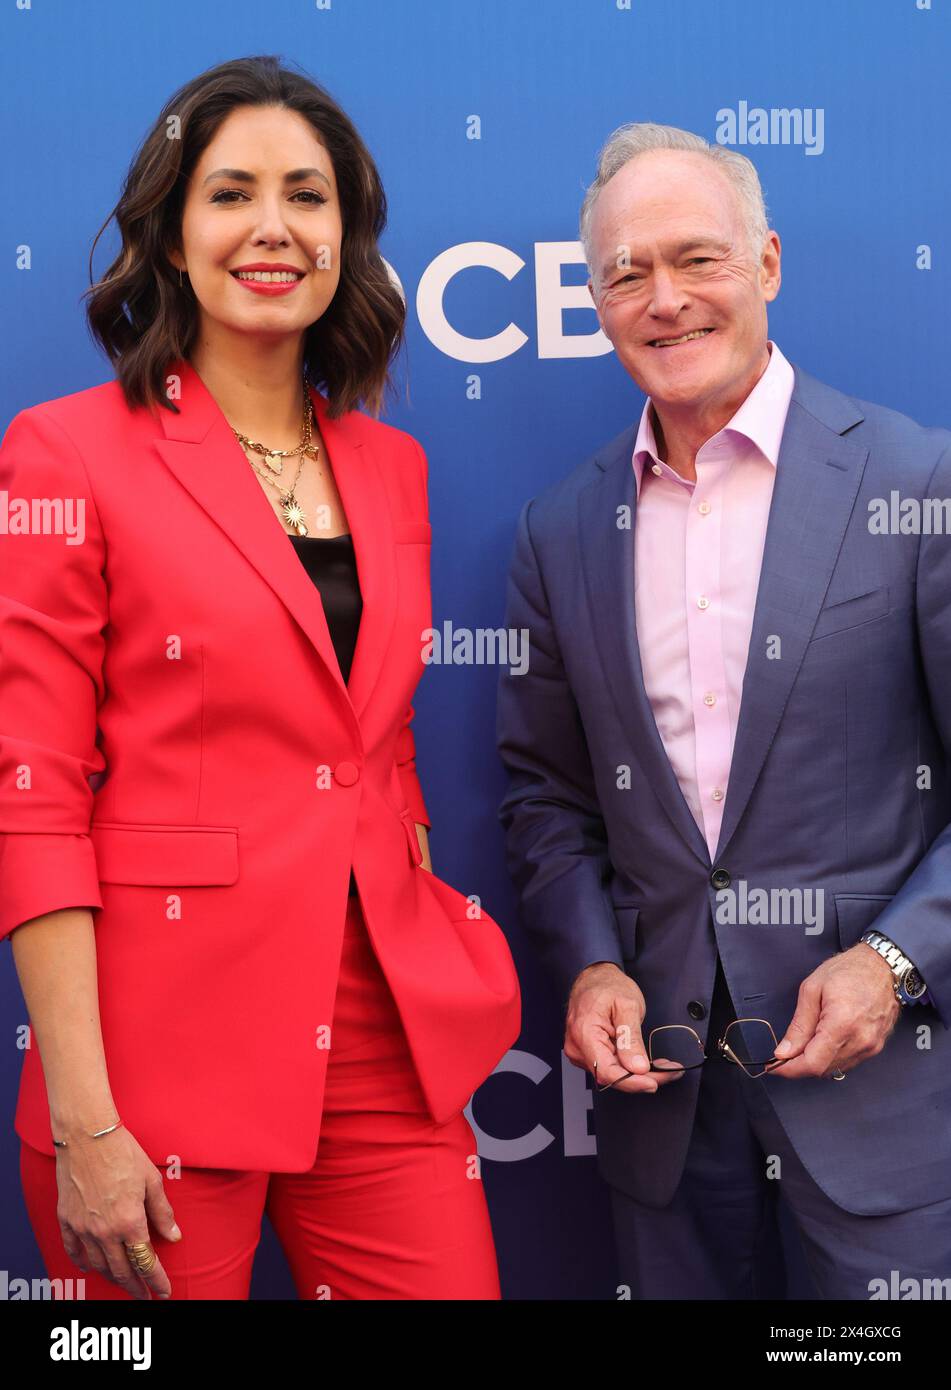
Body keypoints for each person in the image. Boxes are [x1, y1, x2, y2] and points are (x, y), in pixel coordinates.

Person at [0, 55, 519, 1301]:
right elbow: (33, 791)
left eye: (308, 195)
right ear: (172, 235)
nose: (273, 226)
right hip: (151, 1057)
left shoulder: (390, 466)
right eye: (232, 193)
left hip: (382, 1040)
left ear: (347, 236)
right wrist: (86, 1117)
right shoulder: (66, 451)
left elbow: (376, 734)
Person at [497, 121, 951, 1300]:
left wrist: (896, 961)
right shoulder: (562, 529)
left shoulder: (916, 483)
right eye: (627, 273)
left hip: (887, 1101)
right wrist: (593, 966)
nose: (665, 300)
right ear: (596, 301)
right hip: (664, 1109)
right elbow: (548, 799)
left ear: (768, 263)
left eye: (697, 258)